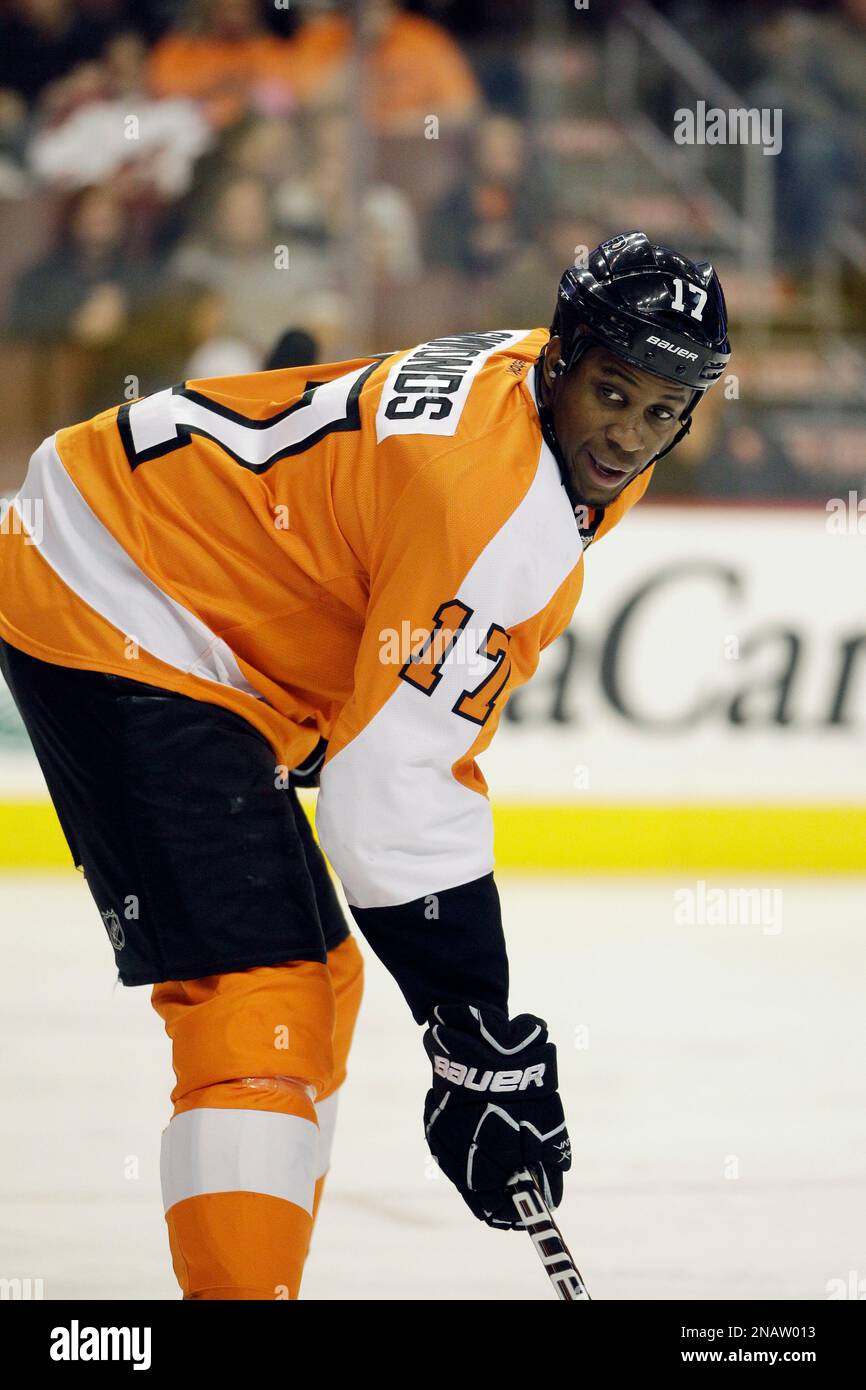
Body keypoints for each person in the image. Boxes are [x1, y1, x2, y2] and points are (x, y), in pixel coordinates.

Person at [0, 231, 730, 1300]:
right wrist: (473, 1027)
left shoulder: (527, 397)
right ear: (564, 356)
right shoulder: (494, 504)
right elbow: (389, 786)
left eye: (662, 410)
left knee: (317, 983)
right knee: (261, 994)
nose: (627, 435)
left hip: (161, 558)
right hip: (122, 592)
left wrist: (465, 1033)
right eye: (613, 393)